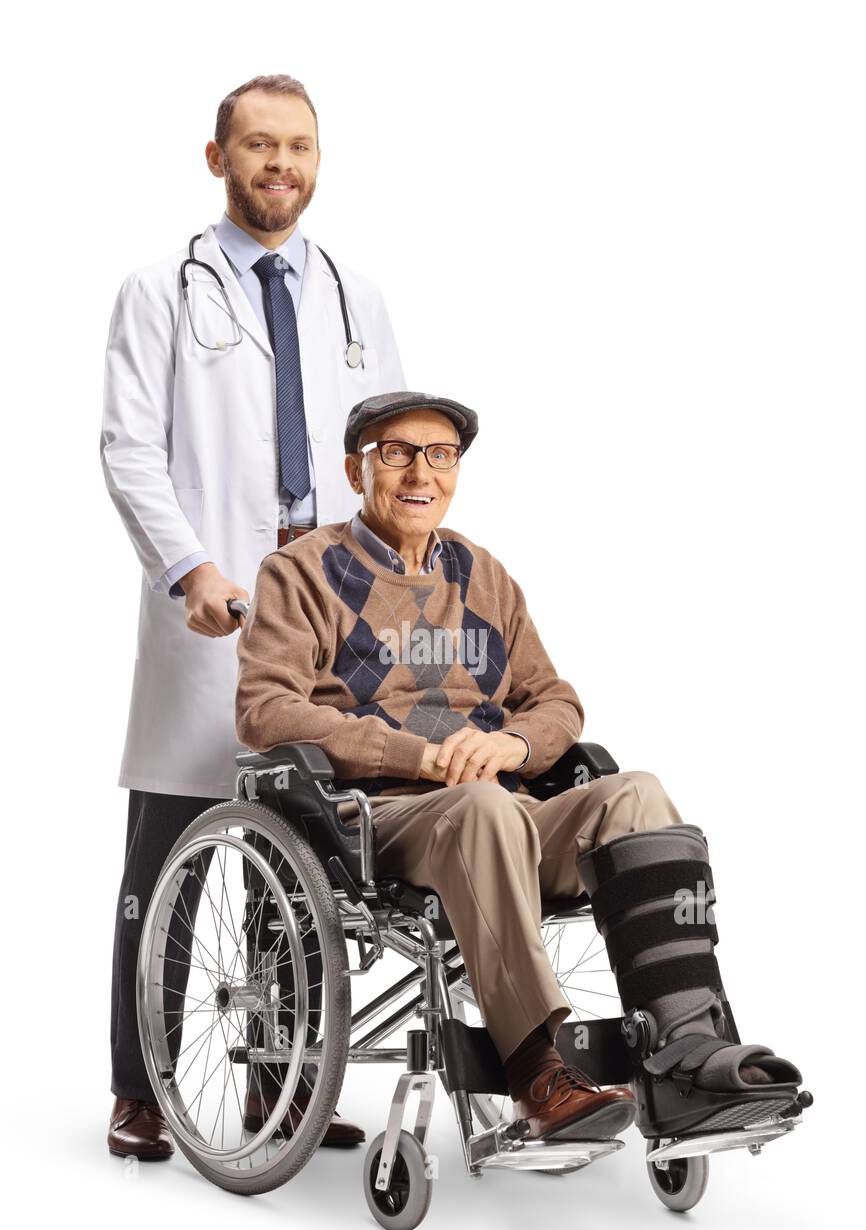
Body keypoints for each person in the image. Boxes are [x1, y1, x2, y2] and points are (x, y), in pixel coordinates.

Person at [234, 390, 803, 1142]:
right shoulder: (301, 573)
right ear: (354, 468)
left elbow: (556, 701)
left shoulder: (482, 574)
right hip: (379, 819)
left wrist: (514, 746)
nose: (421, 472)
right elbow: (267, 709)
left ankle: (686, 1052)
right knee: (484, 809)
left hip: (502, 807)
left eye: (441, 456)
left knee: (637, 795)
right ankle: (536, 1069)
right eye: (397, 452)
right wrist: (417, 753)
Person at [102, 74, 404, 1159]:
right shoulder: (159, 291)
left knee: (309, 863)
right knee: (168, 863)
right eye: (260, 146)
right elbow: (129, 448)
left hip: (324, 614)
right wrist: (188, 569)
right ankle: (141, 1088)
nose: (281, 165)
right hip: (214, 605)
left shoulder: (352, 296)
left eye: (299, 148)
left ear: (317, 161)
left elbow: (388, 452)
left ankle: (284, 1087)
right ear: (217, 157)